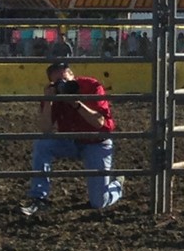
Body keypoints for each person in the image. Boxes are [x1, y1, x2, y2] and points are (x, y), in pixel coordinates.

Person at [20, 60, 123, 216]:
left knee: (98, 202)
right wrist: (49, 101)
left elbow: (100, 123)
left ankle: (117, 185)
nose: (64, 85)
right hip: (70, 140)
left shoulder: (92, 86)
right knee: (43, 144)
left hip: (96, 142)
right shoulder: (54, 95)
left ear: (73, 75)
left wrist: (76, 103)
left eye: (66, 79)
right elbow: (45, 128)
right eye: (58, 82)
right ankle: (39, 197)